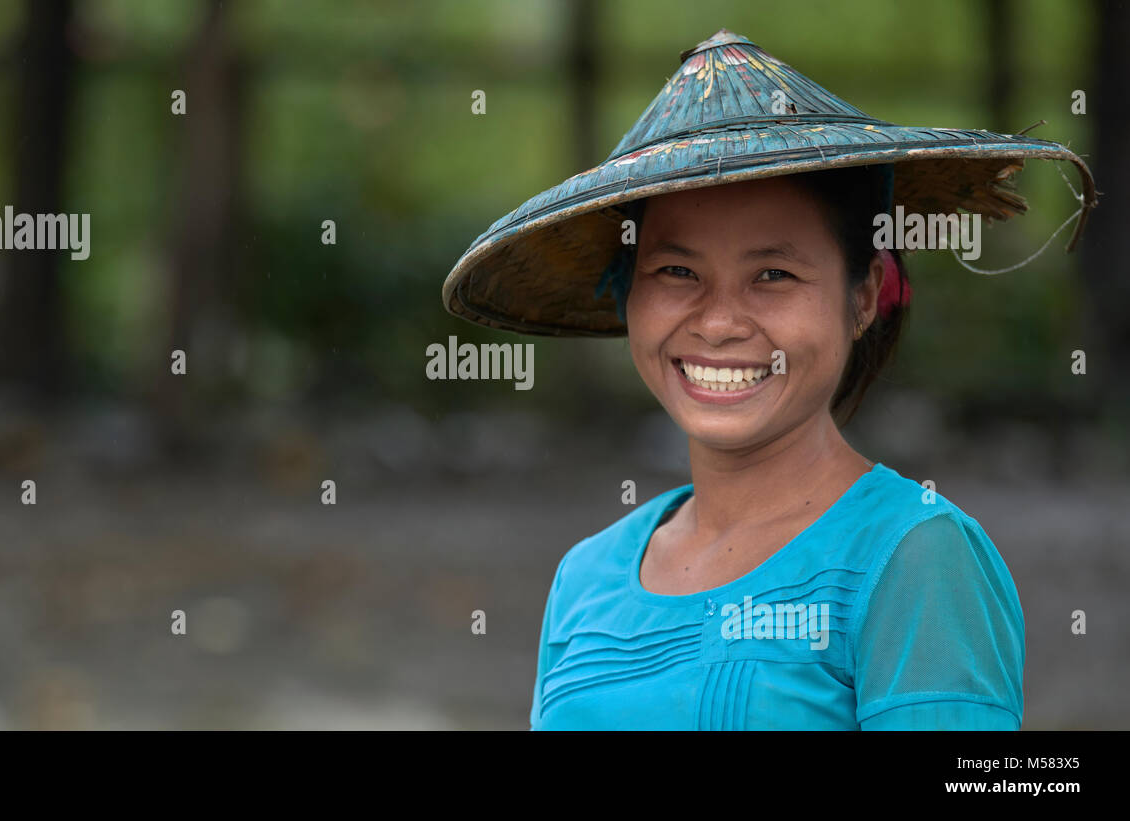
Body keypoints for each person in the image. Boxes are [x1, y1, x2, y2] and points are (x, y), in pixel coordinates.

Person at [442, 29, 1097, 729]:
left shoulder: (915, 556)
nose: (719, 322)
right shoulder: (584, 579)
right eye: (677, 272)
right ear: (629, 291)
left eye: (774, 275)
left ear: (865, 294)